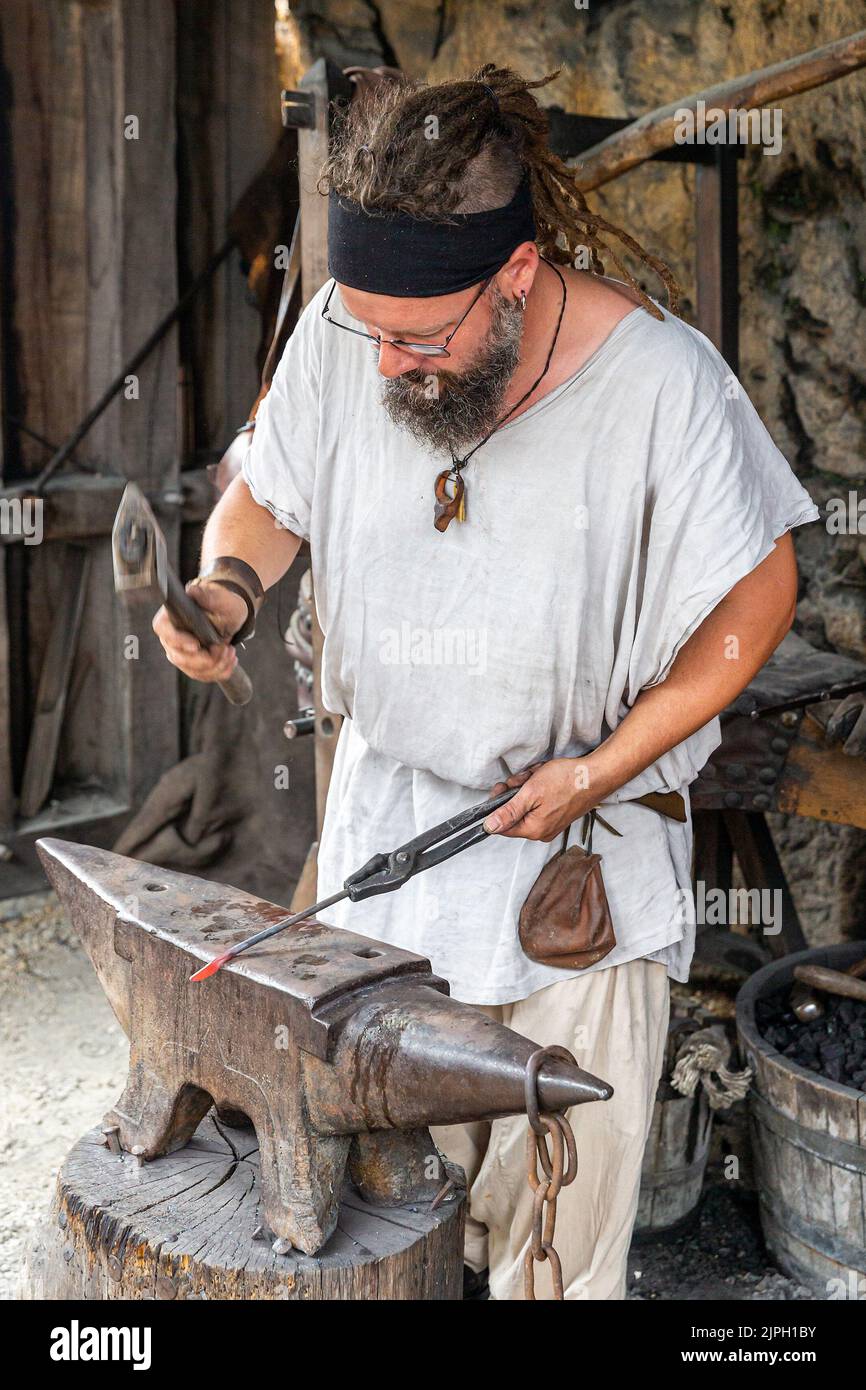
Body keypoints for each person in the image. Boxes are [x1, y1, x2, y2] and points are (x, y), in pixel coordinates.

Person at [154, 65, 819, 1300]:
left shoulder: (658, 384)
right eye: (370, 331)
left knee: (545, 1255)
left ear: (514, 277)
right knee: (379, 1227)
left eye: (420, 337)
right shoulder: (352, 330)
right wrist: (228, 592)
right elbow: (265, 498)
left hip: (569, 871)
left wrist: (604, 766)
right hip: (388, 847)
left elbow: (757, 591)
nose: (387, 362)